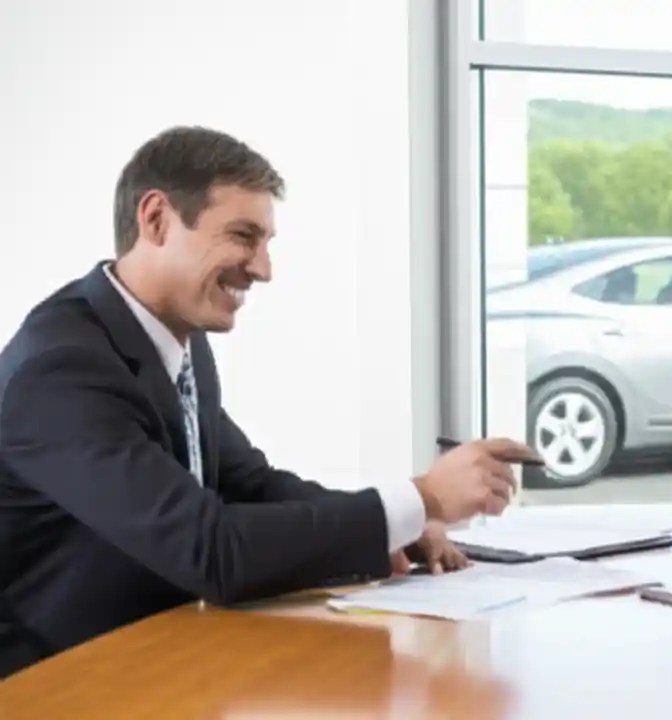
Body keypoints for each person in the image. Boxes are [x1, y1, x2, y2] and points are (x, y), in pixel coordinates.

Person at [0, 126, 537, 677]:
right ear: (156, 219)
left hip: (158, 662)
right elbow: (210, 549)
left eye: (266, 244)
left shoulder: (177, 341)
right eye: (242, 236)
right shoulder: (61, 371)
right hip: (53, 685)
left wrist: (398, 525)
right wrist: (421, 498)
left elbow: (252, 486)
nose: (263, 269)